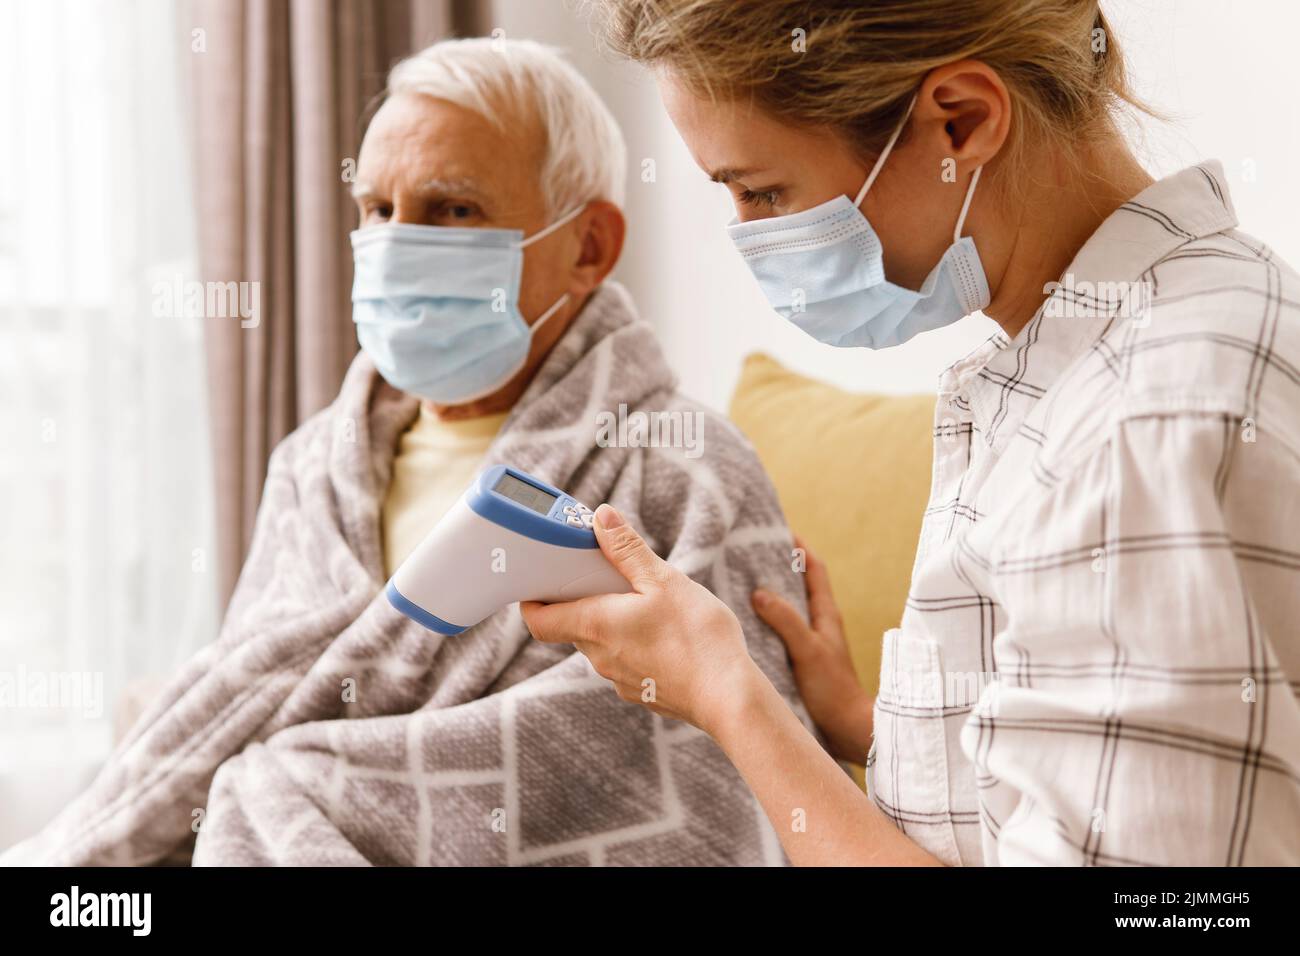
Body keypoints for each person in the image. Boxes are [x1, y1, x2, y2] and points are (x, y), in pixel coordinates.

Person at [523, 0, 1300, 865]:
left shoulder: (1140, 425)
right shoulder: (1113, 350)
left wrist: (729, 699)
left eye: (763, 189)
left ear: (961, 121)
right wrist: (866, 722)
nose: (748, 236)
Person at [3, 38, 810, 867]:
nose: (394, 244)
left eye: (452, 209)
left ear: (589, 247)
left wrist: (303, 783)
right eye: (377, 209)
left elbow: (726, 785)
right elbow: (247, 698)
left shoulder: (691, 471)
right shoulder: (312, 469)